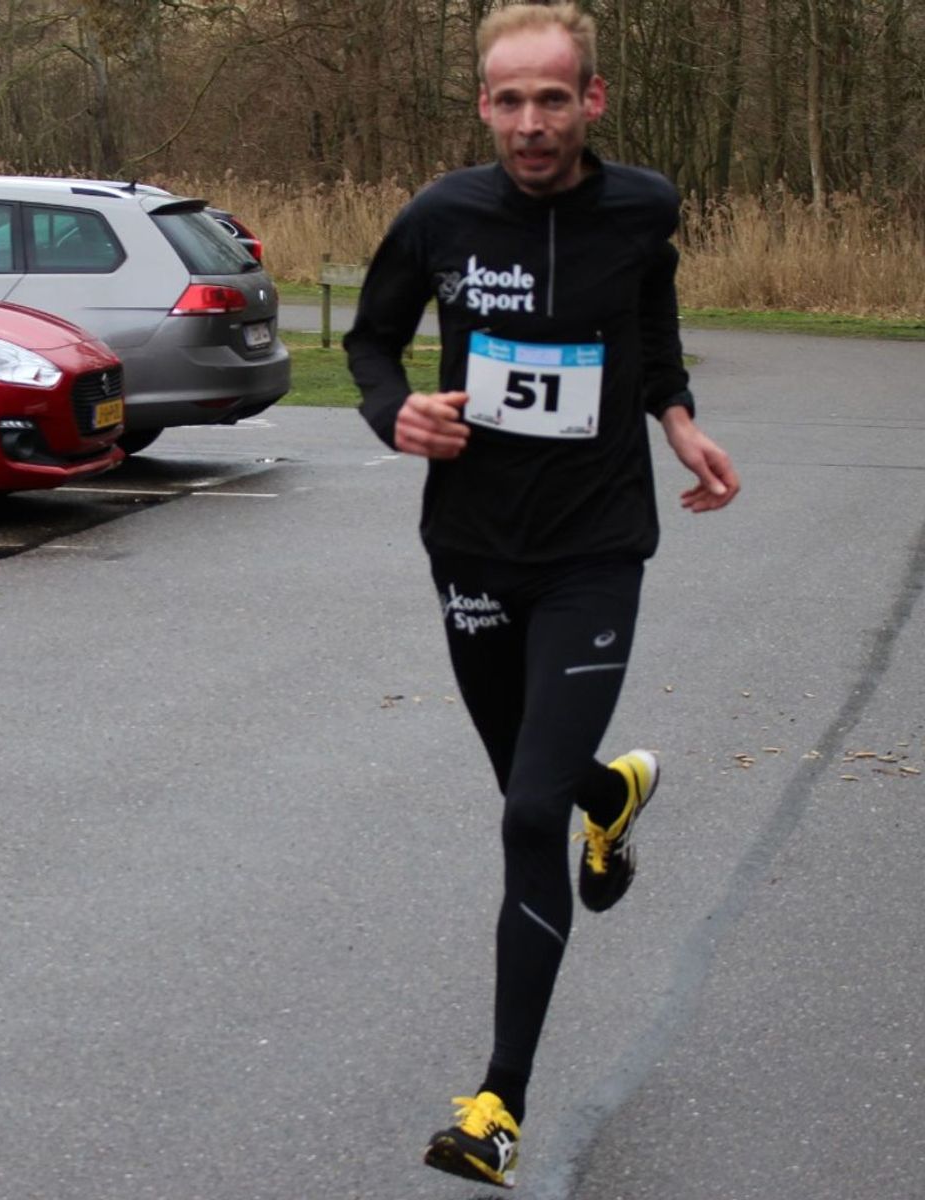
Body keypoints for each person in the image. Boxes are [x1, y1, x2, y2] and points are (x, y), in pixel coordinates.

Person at [344, 2, 739, 1189]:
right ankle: (611, 793)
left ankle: (497, 1104)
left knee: (524, 818)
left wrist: (675, 418)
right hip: (469, 545)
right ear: (483, 106)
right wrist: (393, 409)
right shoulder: (441, 217)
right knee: (538, 776)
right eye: (509, 101)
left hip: (594, 547)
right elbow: (370, 343)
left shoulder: (644, 207)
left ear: (593, 101)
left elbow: (649, 319)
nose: (530, 123)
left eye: (552, 99)